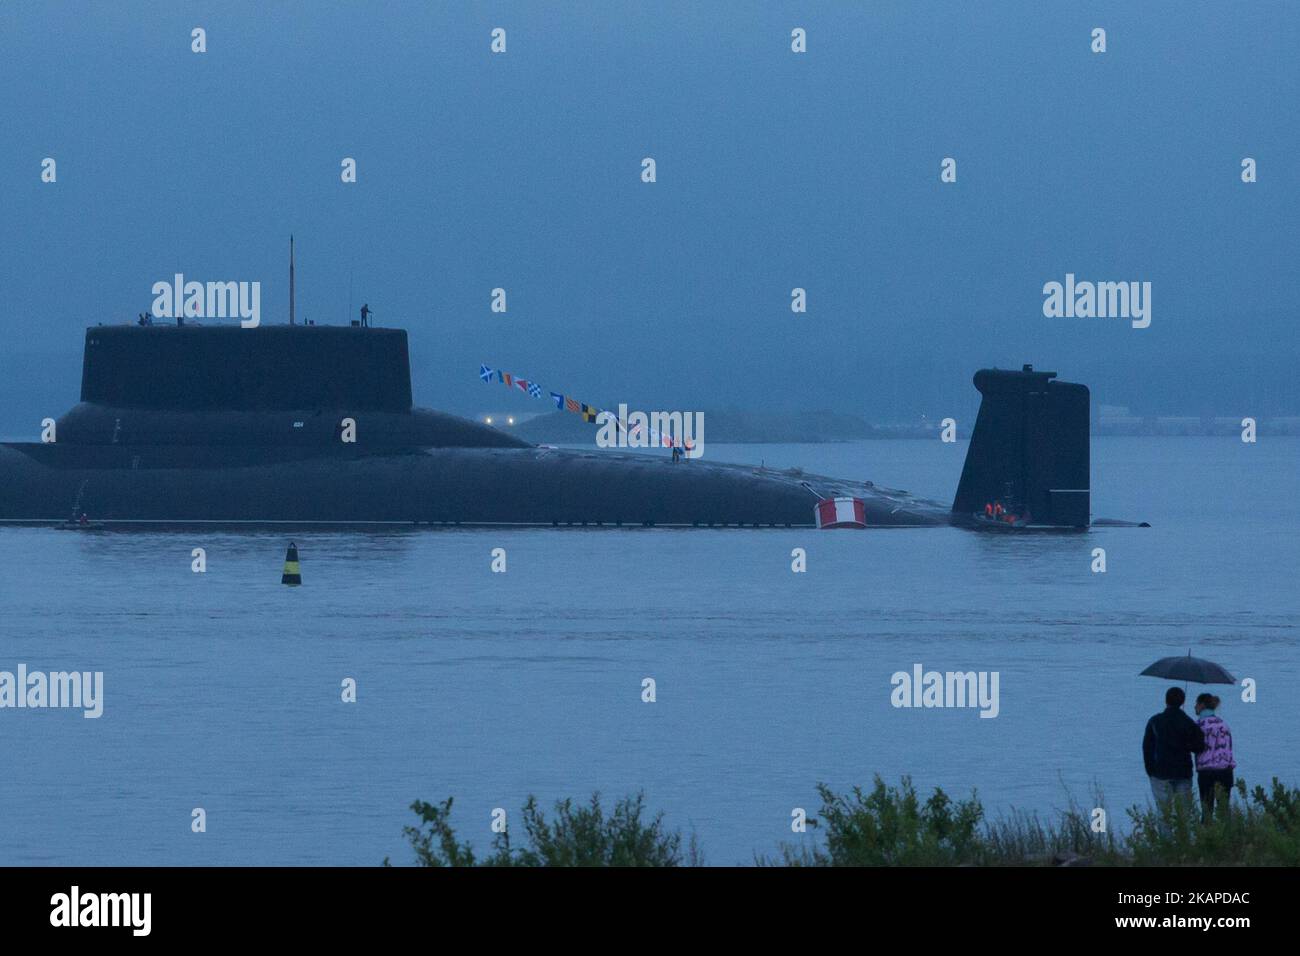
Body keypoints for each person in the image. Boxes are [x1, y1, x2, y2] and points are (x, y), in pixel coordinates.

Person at [1142, 687, 1205, 811]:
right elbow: (1199, 747)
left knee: (1164, 813)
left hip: (1160, 772)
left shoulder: (1155, 721)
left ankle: (1165, 832)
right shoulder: (1188, 722)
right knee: (1185, 813)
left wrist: (1150, 770)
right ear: (1183, 702)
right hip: (1183, 772)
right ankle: (1183, 831)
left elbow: (1147, 747)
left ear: (1166, 701)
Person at [1194, 693, 1236, 822]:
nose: (1194, 707)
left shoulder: (1198, 725)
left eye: (1196, 704)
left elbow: (1195, 747)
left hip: (1207, 772)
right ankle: (1227, 839)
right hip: (1226, 771)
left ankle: (1207, 839)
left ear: (1201, 705)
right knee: (1224, 810)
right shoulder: (1224, 724)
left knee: (1207, 811)